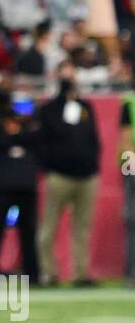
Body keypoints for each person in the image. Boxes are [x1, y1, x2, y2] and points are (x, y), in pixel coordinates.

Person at [37, 63, 101, 286]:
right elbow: (42, 143)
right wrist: (47, 169)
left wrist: (93, 165)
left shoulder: (86, 107)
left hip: (87, 175)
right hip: (59, 176)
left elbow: (94, 139)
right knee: (49, 227)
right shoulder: (48, 110)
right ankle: (48, 272)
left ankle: (81, 273)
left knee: (83, 228)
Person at [0, 77, 40, 281]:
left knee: (28, 229)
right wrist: (17, 137)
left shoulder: (20, 117)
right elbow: (0, 140)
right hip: (1, 182)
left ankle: (33, 272)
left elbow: (32, 137)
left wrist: (15, 136)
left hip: (24, 182)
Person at [121, 87, 135, 285]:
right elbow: (125, 140)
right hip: (134, 169)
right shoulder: (129, 101)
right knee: (133, 222)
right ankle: (132, 272)